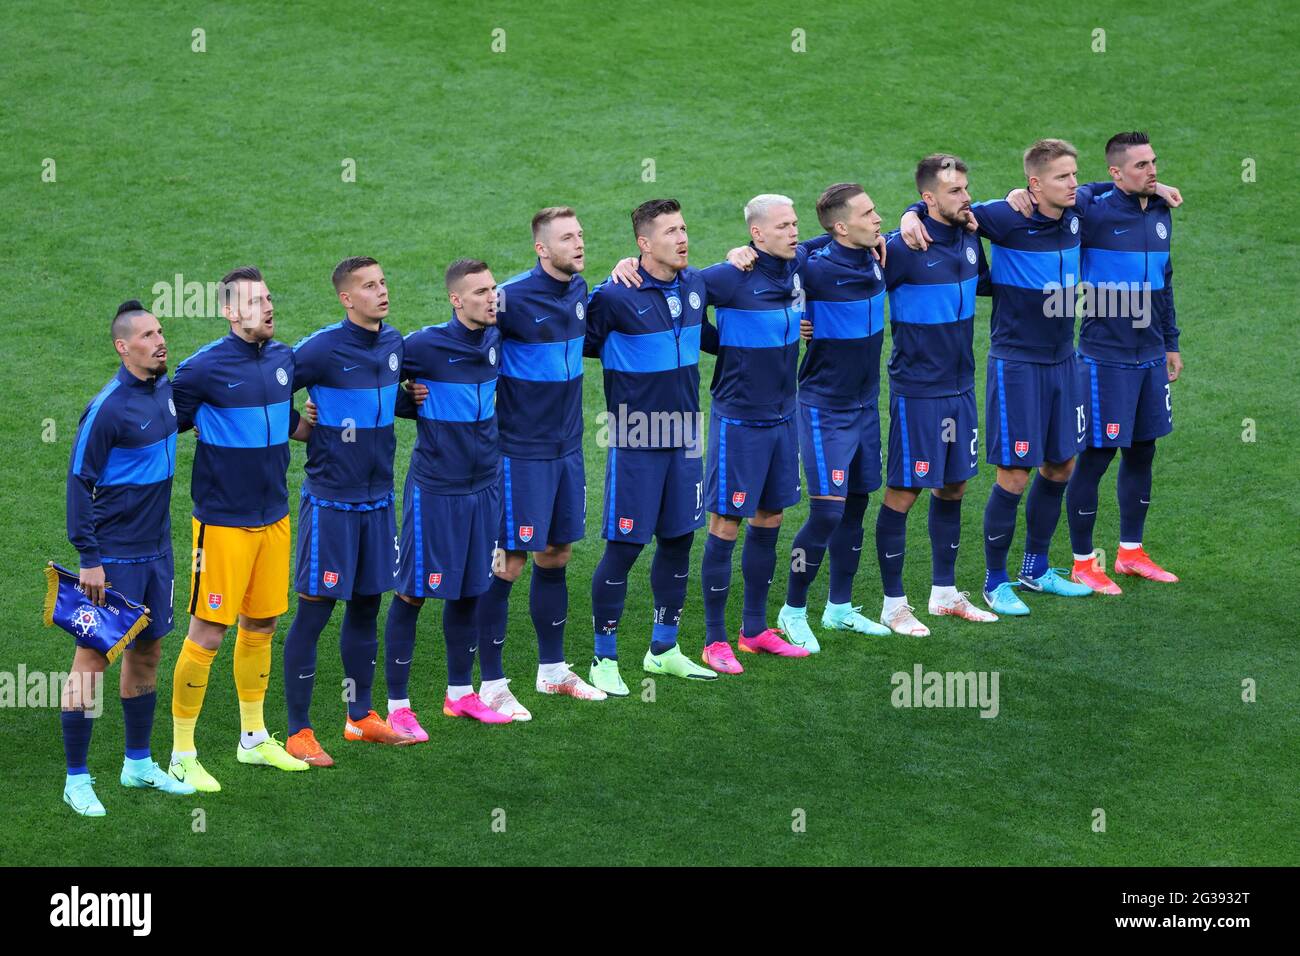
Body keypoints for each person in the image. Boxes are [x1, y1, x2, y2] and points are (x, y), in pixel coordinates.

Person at [167, 266, 314, 792]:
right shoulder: (200, 370)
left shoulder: (282, 357)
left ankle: (253, 738)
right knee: (207, 632)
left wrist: (310, 428)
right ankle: (182, 753)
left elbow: (286, 419)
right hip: (223, 524)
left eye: (270, 298)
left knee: (262, 624)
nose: (268, 308)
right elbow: (159, 423)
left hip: (274, 517)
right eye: (254, 302)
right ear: (230, 313)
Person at [60, 300, 195, 815]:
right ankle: (77, 778)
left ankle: (137, 764)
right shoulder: (107, 408)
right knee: (90, 662)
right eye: (147, 336)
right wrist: (89, 559)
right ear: (123, 347)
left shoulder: (164, 390)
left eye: (161, 331)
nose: (160, 341)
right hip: (111, 559)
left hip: (157, 553)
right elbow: (79, 483)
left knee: (149, 654)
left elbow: (170, 423)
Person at [474, 208, 605, 713]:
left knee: (557, 555)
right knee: (508, 562)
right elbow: (463, 340)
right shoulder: (508, 298)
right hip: (519, 453)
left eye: (580, 235)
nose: (578, 244)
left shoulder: (579, 290)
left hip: (567, 449)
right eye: (567, 238)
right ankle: (491, 685)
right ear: (541, 248)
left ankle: (551, 671)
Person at [583, 199, 717, 695]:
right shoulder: (615, 296)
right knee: (624, 547)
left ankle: (663, 650)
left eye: (684, 228)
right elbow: (569, 337)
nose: (682, 238)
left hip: (686, 435)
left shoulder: (697, 283)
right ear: (643, 244)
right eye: (669, 232)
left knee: (680, 539)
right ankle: (603, 659)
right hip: (637, 437)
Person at [387, 259, 516, 724]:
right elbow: (372, 376)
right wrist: (405, 401)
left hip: (485, 487)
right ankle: (397, 707)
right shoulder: (424, 345)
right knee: (413, 593)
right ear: (456, 300)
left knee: (471, 591)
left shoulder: (496, 337)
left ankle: (460, 693)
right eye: (479, 292)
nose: (491, 298)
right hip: (435, 491)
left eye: (493, 289)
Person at [1066, 131, 1184, 592]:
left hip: (1151, 354)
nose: (1152, 172)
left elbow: (1164, 279)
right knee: (1095, 457)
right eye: (1140, 166)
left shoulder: (1159, 212)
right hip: (1104, 357)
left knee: (1143, 452)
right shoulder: (1093, 209)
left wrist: (1170, 341)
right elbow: (1065, 191)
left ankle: (1130, 553)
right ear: (1115, 172)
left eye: (1153, 163)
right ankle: (1081, 562)